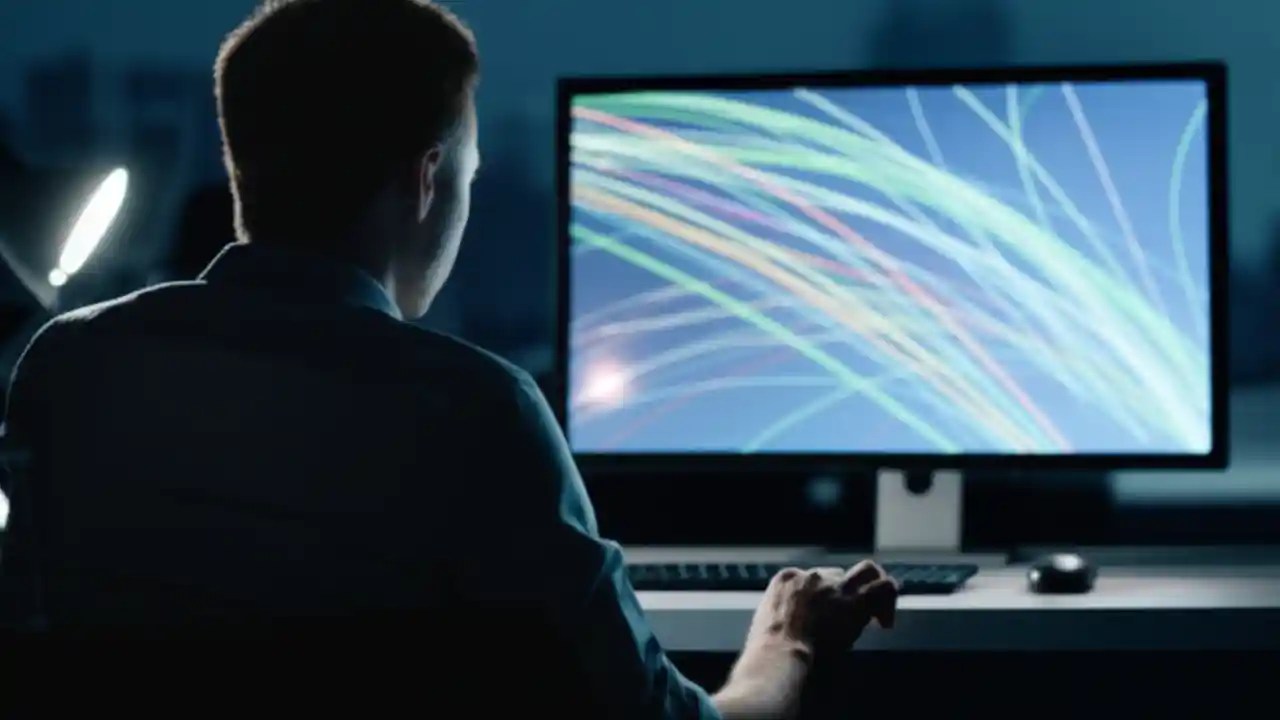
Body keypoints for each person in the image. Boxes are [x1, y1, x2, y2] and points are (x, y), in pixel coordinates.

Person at [0, 0, 897, 716]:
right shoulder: (475, 412)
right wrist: (789, 643)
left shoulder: (66, 370)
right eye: (466, 177)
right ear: (428, 179)